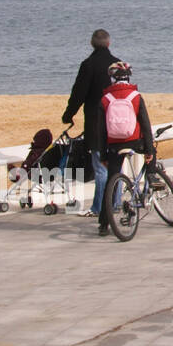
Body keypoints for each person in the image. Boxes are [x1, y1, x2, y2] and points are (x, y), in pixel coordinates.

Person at [62, 28, 120, 218]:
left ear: (92, 44)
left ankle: (99, 208)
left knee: (100, 168)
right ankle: (116, 203)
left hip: (97, 124)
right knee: (115, 166)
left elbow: (78, 93)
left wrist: (68, 115)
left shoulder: (88, 65)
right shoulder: (118, 65)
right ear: (109, 43)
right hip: (118, 123)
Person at [97, 63, 157, 237]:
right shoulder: (136, 97)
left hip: (114, 145)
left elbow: (101, 131)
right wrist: (149, 150)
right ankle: (152, 176)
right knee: (151, 151)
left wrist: (103, 154)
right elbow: (145, 125)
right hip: (135, 141)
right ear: (128, 78)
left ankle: (103, 224)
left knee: (111, 181)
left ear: (113, 79)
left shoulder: (105, 99)